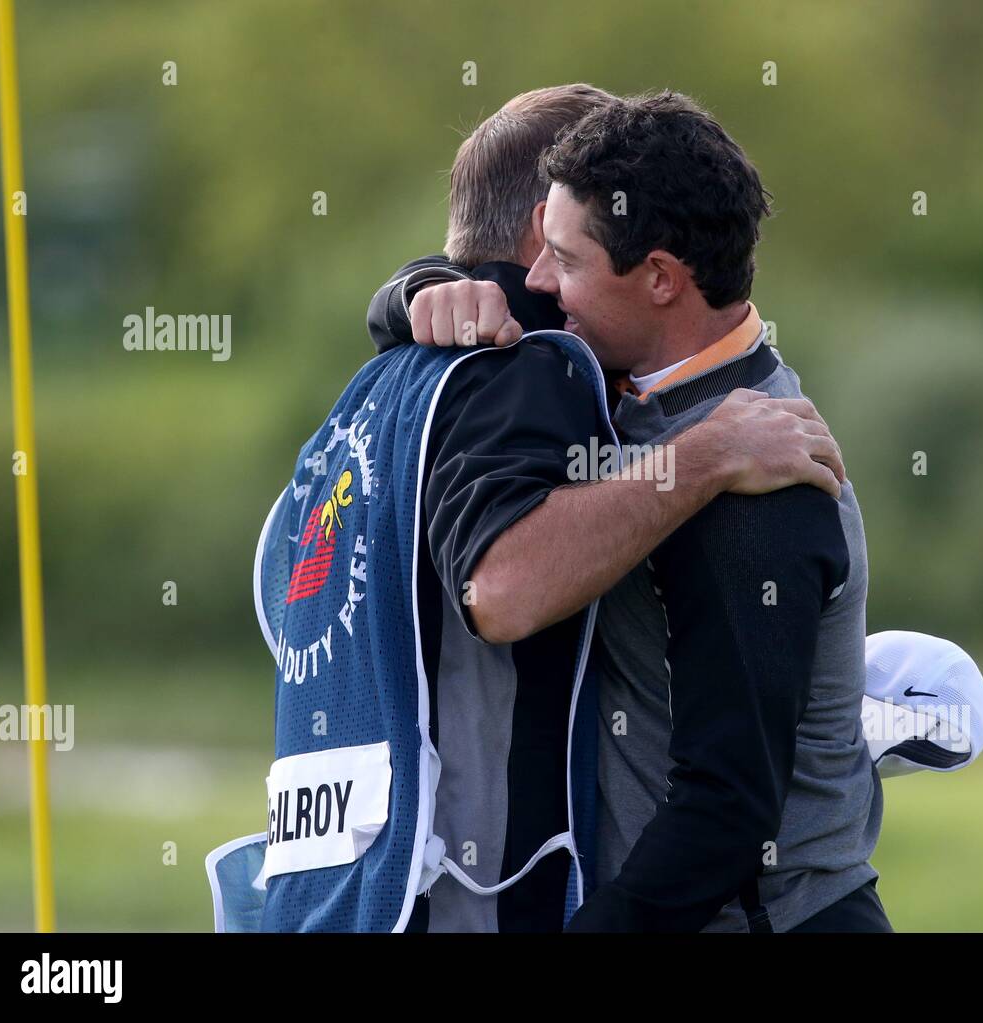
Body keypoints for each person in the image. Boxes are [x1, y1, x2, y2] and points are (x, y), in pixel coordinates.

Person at [252, 85, 846, 933]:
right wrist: (417, 288)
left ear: (657, 275)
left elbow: (730, 800)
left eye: (565, 260)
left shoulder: (755, 449)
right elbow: (505, 588)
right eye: (547, 252)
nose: (538, 282)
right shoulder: (532, 374)